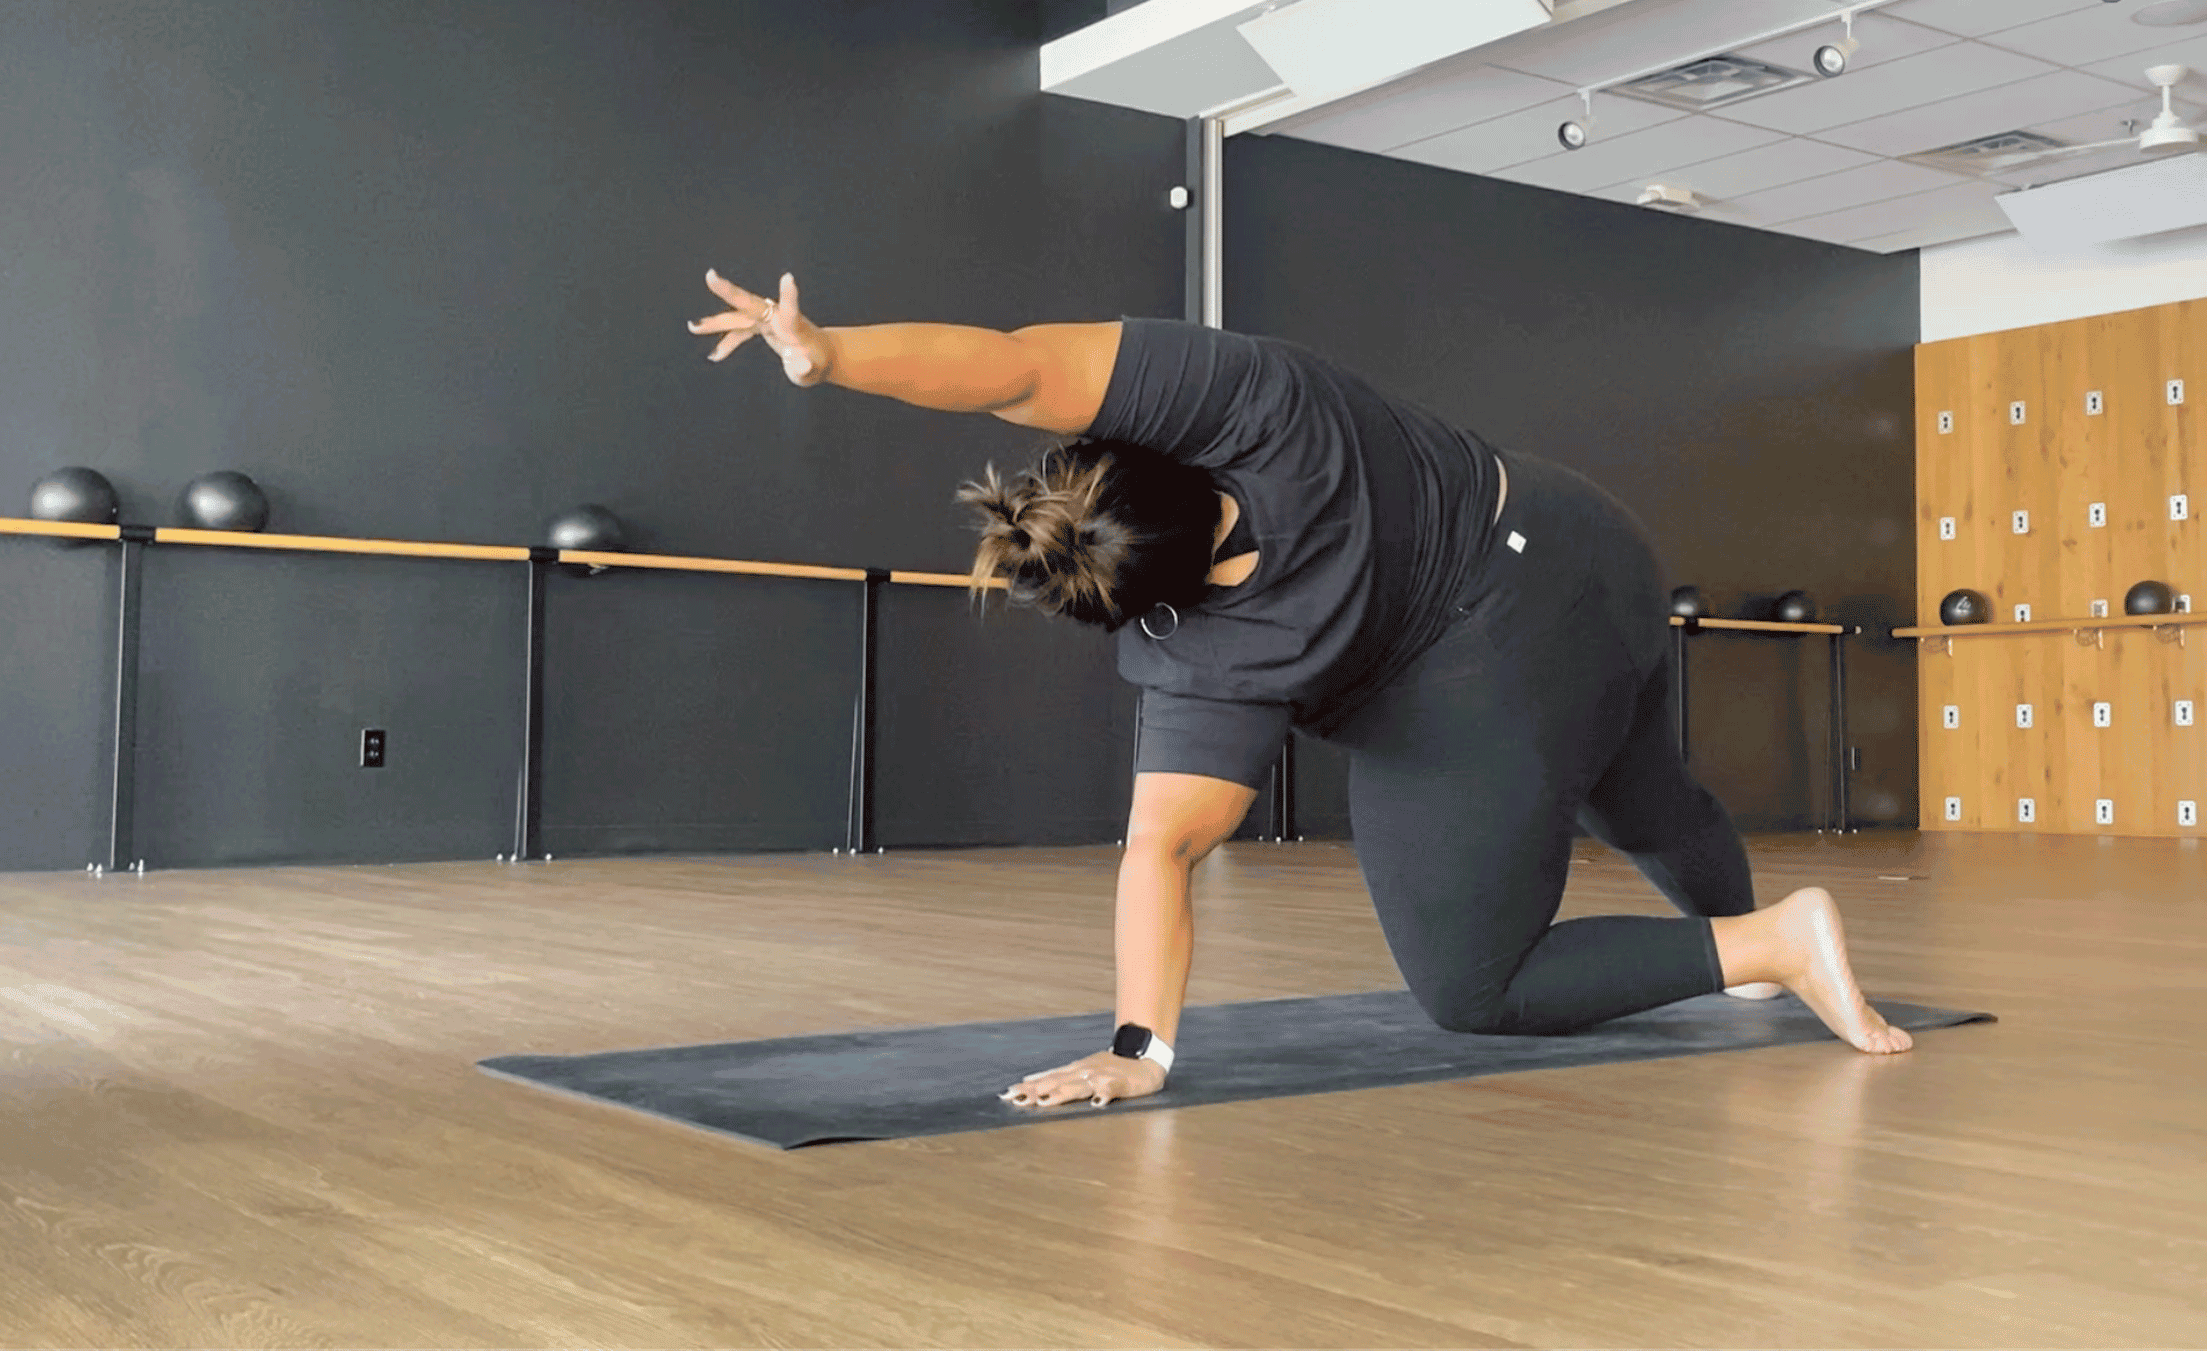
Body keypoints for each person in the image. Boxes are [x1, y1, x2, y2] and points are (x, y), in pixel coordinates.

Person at [688, 269, 1914, 1112]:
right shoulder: (1249, 406)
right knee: (1640, 793)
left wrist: (1140, 1051)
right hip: (1587, 540)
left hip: (1489, 652)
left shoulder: (1200, 651)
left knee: (1477, 988)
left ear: (1149, 606)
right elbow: (1007, 369)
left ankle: (1771, 942)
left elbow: (1158, 854)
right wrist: (830, 354)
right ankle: (1748, 963)